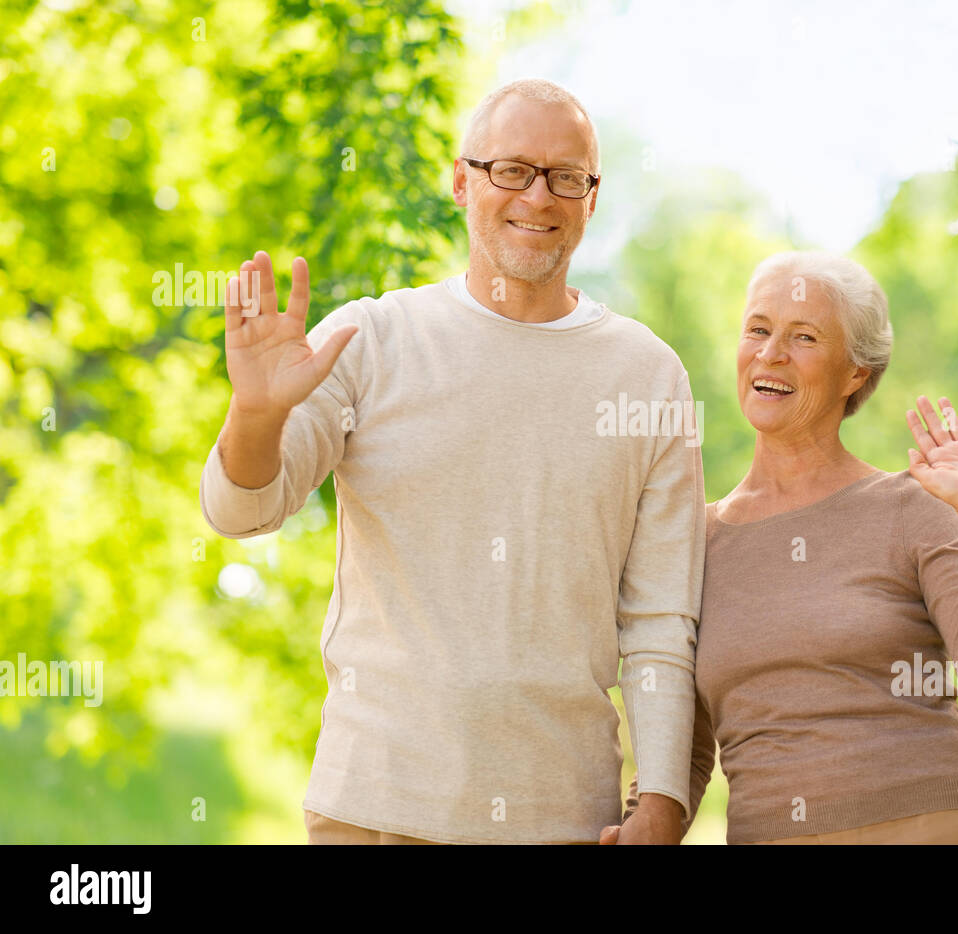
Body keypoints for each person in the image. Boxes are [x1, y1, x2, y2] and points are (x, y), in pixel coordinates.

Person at [199, 79, 704, 844]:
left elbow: (661, 616)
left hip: (566, 814)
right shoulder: (370, 340)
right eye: (512, 169)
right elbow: (240, 511)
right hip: (374, 805)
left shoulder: (648, 374)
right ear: (462, 181)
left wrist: (663, 800)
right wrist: (257, 413)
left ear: (591, 199)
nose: (539, 196)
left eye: (567, 177)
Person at [608, 251, 958, 844]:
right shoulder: (695, 539)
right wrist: (645, 821)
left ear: (856, 373)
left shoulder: (911, 507)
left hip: (923, 826)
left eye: (804, 336)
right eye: (758, 329)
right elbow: (683, 739)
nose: (770, 353)